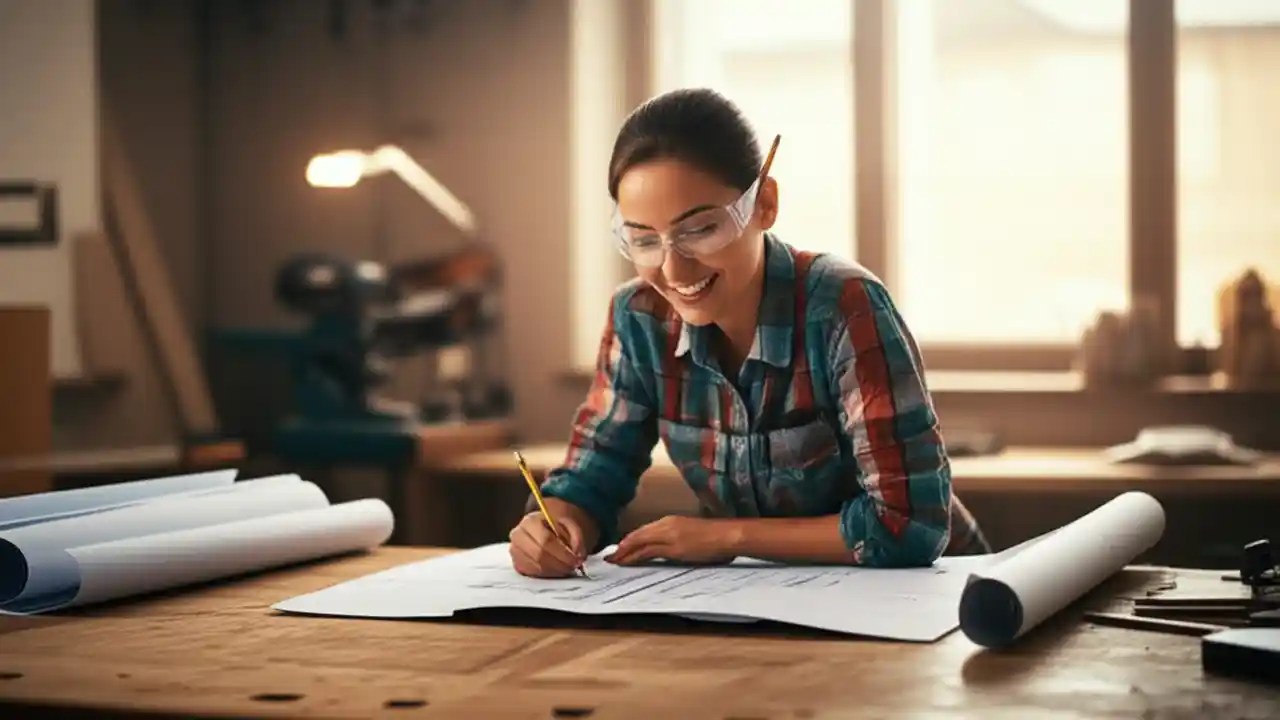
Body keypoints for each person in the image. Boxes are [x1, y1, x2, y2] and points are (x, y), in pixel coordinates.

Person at [508, 88, 989, 578]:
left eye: (699, 230)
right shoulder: (639, 316)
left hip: (935, 603)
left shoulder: (846, 306)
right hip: (769, 605)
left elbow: (910, 525)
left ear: (764, 204)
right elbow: (596, 472)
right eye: (644, 239)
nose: (673, 268)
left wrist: (728, 536)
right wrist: (562, 521)